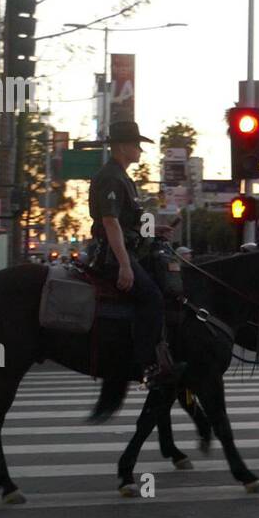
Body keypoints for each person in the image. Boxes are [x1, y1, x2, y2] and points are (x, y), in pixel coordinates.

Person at [88, 121, 180, 387]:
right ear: (122, 147)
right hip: (114, 255)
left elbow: (133, 221)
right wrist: (124, 266)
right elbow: (111, 223)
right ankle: (148, 365)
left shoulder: (123, 177)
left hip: (128, 249)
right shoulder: (111, 177)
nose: (140, 150)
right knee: (151, 296)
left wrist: (156, 228)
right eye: (136, 145)